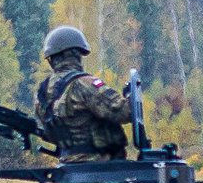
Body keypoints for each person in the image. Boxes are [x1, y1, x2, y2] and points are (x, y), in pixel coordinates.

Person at [35, 26, 131, 163]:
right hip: (100, 164)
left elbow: (47, 131)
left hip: (67, 165)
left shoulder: (42, 92)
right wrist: (131, 96)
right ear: (75, 54)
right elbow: (124, 112)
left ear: (52, 58)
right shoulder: (84, 84)